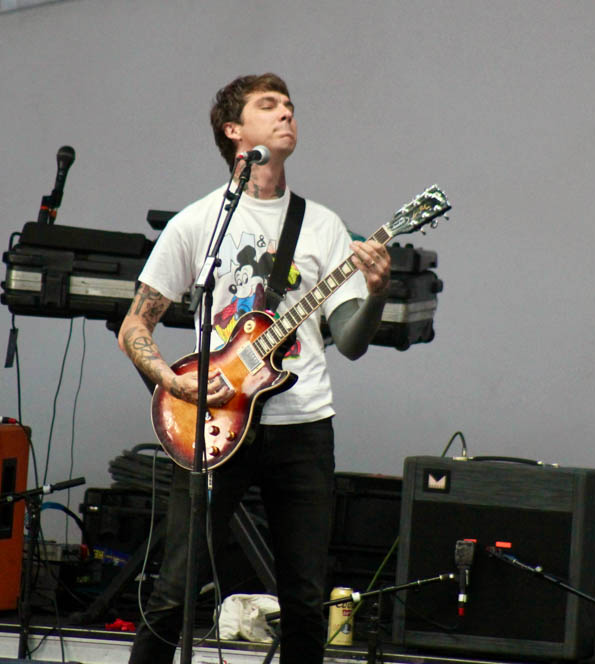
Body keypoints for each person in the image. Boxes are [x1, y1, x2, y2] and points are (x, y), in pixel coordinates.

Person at [117, 73, 391, 663]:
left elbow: (350, 341)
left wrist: (376, 292)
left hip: (303, 424)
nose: (287, 113)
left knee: (304, 597)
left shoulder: (323, 225)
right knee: (175, 590)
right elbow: (134, 325)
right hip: (215, 421)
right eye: (270, 106)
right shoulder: (197, 222)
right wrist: (172, 380)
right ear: (234, 131)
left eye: (290, 105)